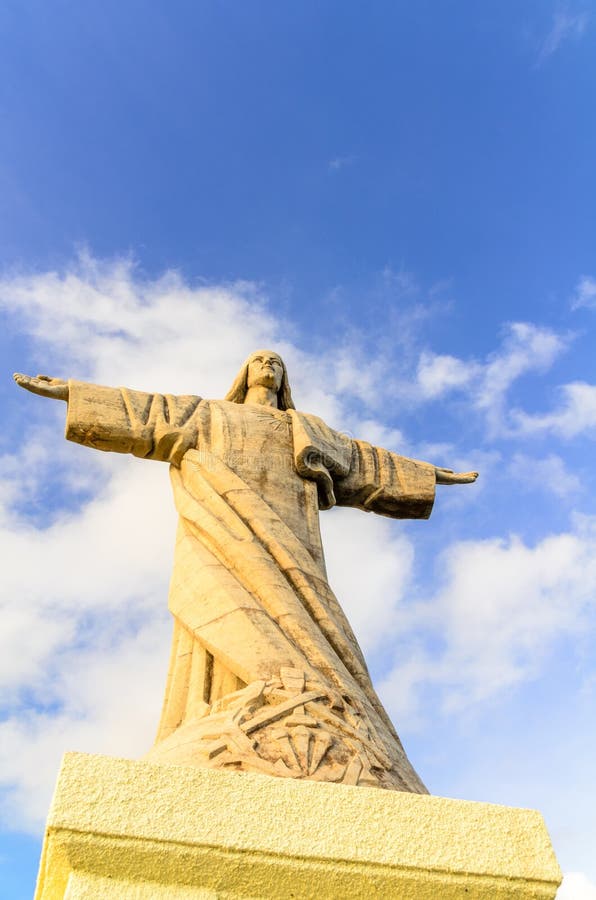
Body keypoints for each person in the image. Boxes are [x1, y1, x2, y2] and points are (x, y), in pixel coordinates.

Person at [14, 352, 477, 792]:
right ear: (244, 373)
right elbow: (147, 412)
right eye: (259, 359)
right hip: (224, 528)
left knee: (311, 619)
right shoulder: (210, 415)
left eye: (276, 361)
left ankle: (320, 710)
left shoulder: (306, 429)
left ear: (285, 379)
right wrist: (74, 393)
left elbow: (363, 462)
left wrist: (429, 474)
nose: (268, 365)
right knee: (229, 608)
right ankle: (224, 711)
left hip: (295, 543)